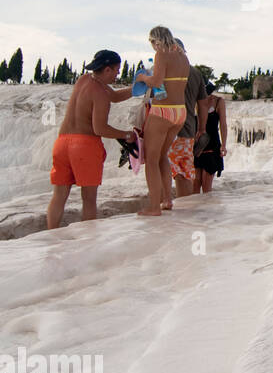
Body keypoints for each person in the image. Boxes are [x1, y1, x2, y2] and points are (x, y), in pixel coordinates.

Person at [46, 50, 136, 229]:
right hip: (84, 146)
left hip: (62, 143)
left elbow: (116, 96)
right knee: (89, 198)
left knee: (59, 195)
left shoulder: (85, 79)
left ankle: (51, 234)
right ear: (108, 69)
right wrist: (127, 135)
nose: (118, 75)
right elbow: (100, 128)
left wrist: (138, 88)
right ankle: (86, 241)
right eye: (117, 70)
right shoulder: (100, 94)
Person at [135, 26, 191, 216]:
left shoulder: (161, 54)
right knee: (162, 156)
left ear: (156, 40)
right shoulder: (183, 56)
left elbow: (157, 82)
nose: (152, 46)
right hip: (180, 112)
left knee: (151, 160)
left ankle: (153, 207)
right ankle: (167, 200)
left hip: (163, 111)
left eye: (152, 42)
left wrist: (143, 77)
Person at [169, 38, 207, 198]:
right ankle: (185, 206)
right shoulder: (195, 73)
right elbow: (203, 105)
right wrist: (201, 129)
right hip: (188, 129)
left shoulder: (163, 70)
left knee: (166, 168)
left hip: (166, 129)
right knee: (185, 169)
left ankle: (164, 204)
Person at [194, 82, 227, 192]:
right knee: (195, 182)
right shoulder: (195, 102)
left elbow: (223, 124)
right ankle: (194, 209)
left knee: (206, 183)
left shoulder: (218, 101)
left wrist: (224, 145)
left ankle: (207, 209)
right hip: (197, 145)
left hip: (212, 144)